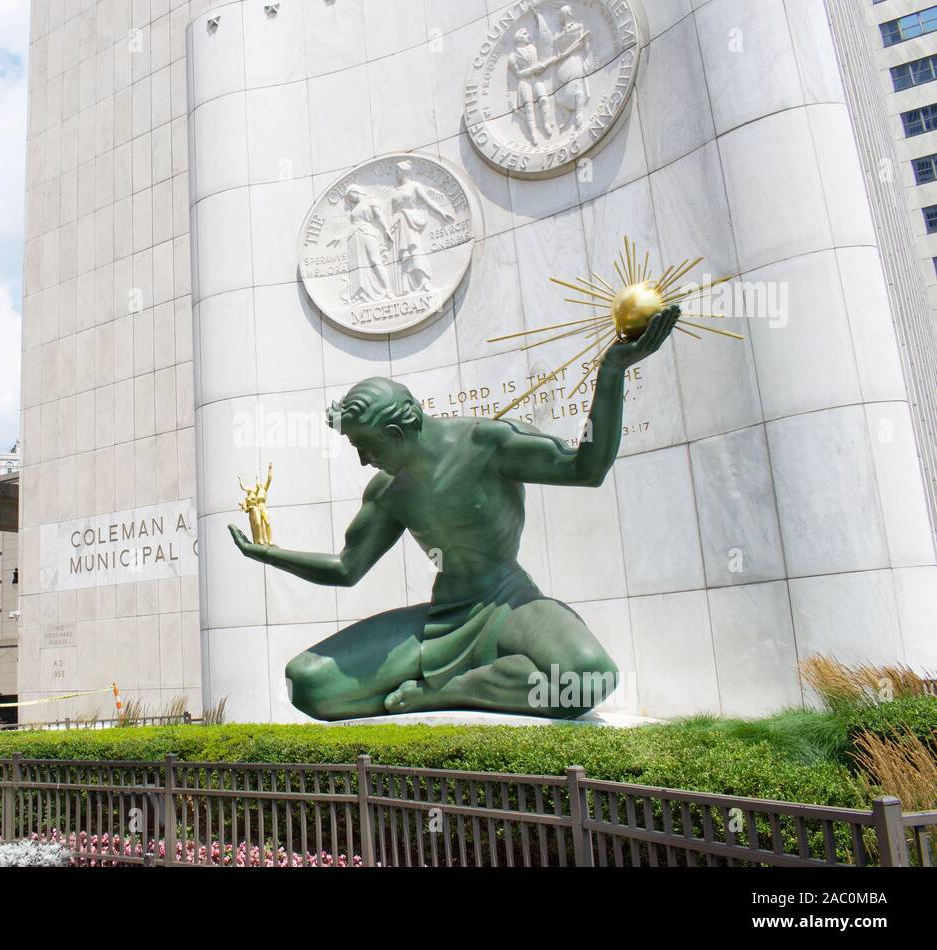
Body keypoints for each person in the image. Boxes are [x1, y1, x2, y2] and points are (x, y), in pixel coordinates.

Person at [230, 306, 682, 720]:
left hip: (511, 604)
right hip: (444, 616)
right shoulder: (389, 490)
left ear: (395, 432)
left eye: (364, 447)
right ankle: (469, 676)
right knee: (306, 682)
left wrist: (612, 371)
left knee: (589, 678)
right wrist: (266, 553)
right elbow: (346, 569)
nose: (363, 461)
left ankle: (444, 691)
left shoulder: (489, 444)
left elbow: (587, 468)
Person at [388, 161, 456, 296]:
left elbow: (427, 201)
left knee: (414, 249)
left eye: (397, 171)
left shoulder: (414, 186)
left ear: (403, 171)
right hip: (397, 224)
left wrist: (441, 212)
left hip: (409, 221)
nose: (396, 174)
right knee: (400, 256)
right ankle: (405, 288)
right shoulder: (394, 190)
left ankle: (424, 282)